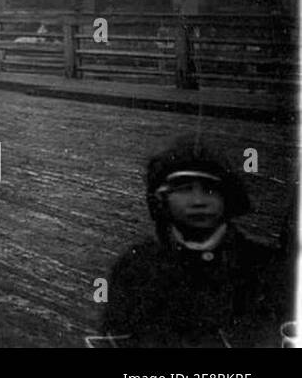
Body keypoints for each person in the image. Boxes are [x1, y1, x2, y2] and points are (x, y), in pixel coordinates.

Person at [97, 136, 293, 348]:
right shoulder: (136, 268)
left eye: (210, 189)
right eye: (184, 189)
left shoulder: (267, 269)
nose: (198, 201)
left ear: (228, 199)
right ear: (161, 200)